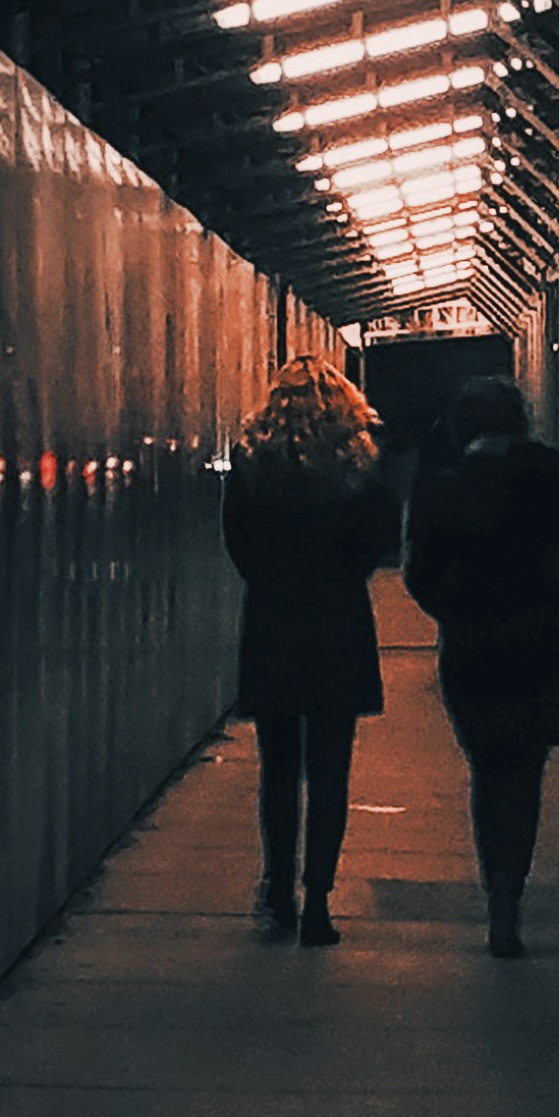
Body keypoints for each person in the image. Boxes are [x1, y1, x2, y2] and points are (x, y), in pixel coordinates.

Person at [400, 371, 559, 958]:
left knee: (487, 767)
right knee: (525, 772)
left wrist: (456, 615)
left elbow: (419, 574)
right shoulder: (554, 480)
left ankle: (495, 882)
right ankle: (509, 891)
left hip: (472, 651)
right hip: (539, 649)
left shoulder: (443, 487)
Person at [221, 351, 398, 948]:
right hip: (338, 623)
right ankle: (319, 898)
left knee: (278, 766)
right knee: (330, 769)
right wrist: (339, 579)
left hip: (273, 620)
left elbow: (236, 541)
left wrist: (273, 581)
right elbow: (381, 541)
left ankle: (276, 888)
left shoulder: (253, 464)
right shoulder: (359, 467)